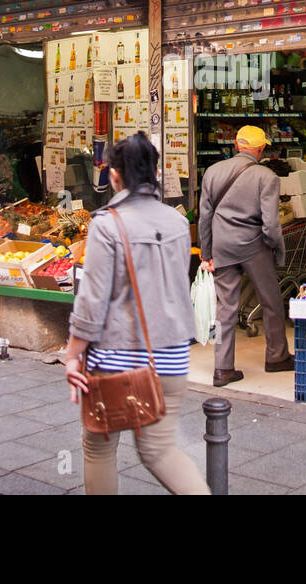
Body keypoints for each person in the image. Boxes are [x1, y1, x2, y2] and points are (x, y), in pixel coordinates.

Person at [64, 133, 209, 496]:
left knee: (99, 446)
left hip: (117, 361)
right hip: (172, 360)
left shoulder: (107, 225)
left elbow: (92, 301)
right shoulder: (177, 224)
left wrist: (72, 354)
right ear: (155, 171)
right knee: (159, 450)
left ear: (115, 175)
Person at [198, 124, 291, 387]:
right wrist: (276, 249)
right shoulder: (266, 176)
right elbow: (271, 224)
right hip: (254, 246)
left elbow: (205, 217)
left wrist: (207, 253)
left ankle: (222, 369)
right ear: (260, 149)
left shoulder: (213, 172)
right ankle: (276, 357)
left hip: (222, 246)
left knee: (225, 308)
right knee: (271, 301)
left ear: (237, 145)